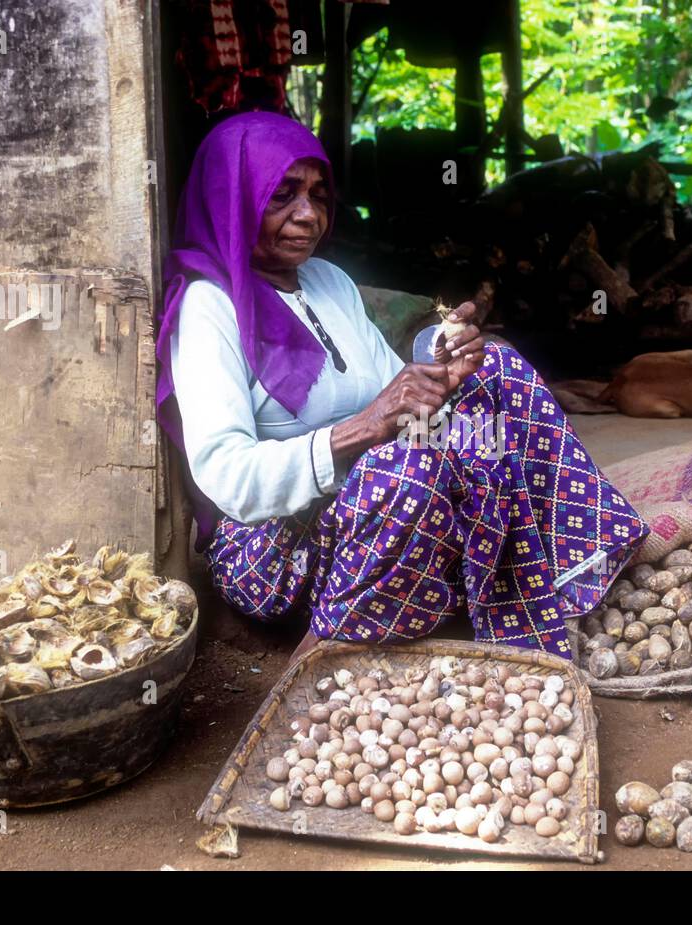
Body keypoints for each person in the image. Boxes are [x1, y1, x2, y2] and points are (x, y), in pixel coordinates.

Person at [155, 112, 646, 660]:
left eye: (318, 196)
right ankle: (331, 642)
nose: (308, 216)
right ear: (233, 199)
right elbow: (230, 478)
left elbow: (397, 394)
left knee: (499, 373)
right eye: (282, 196)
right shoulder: (209, 307)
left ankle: (571, 573)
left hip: (367, 502)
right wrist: (361, 429)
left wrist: (444, 368)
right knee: (412, 469)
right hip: (268, 546)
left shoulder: (328, 281)